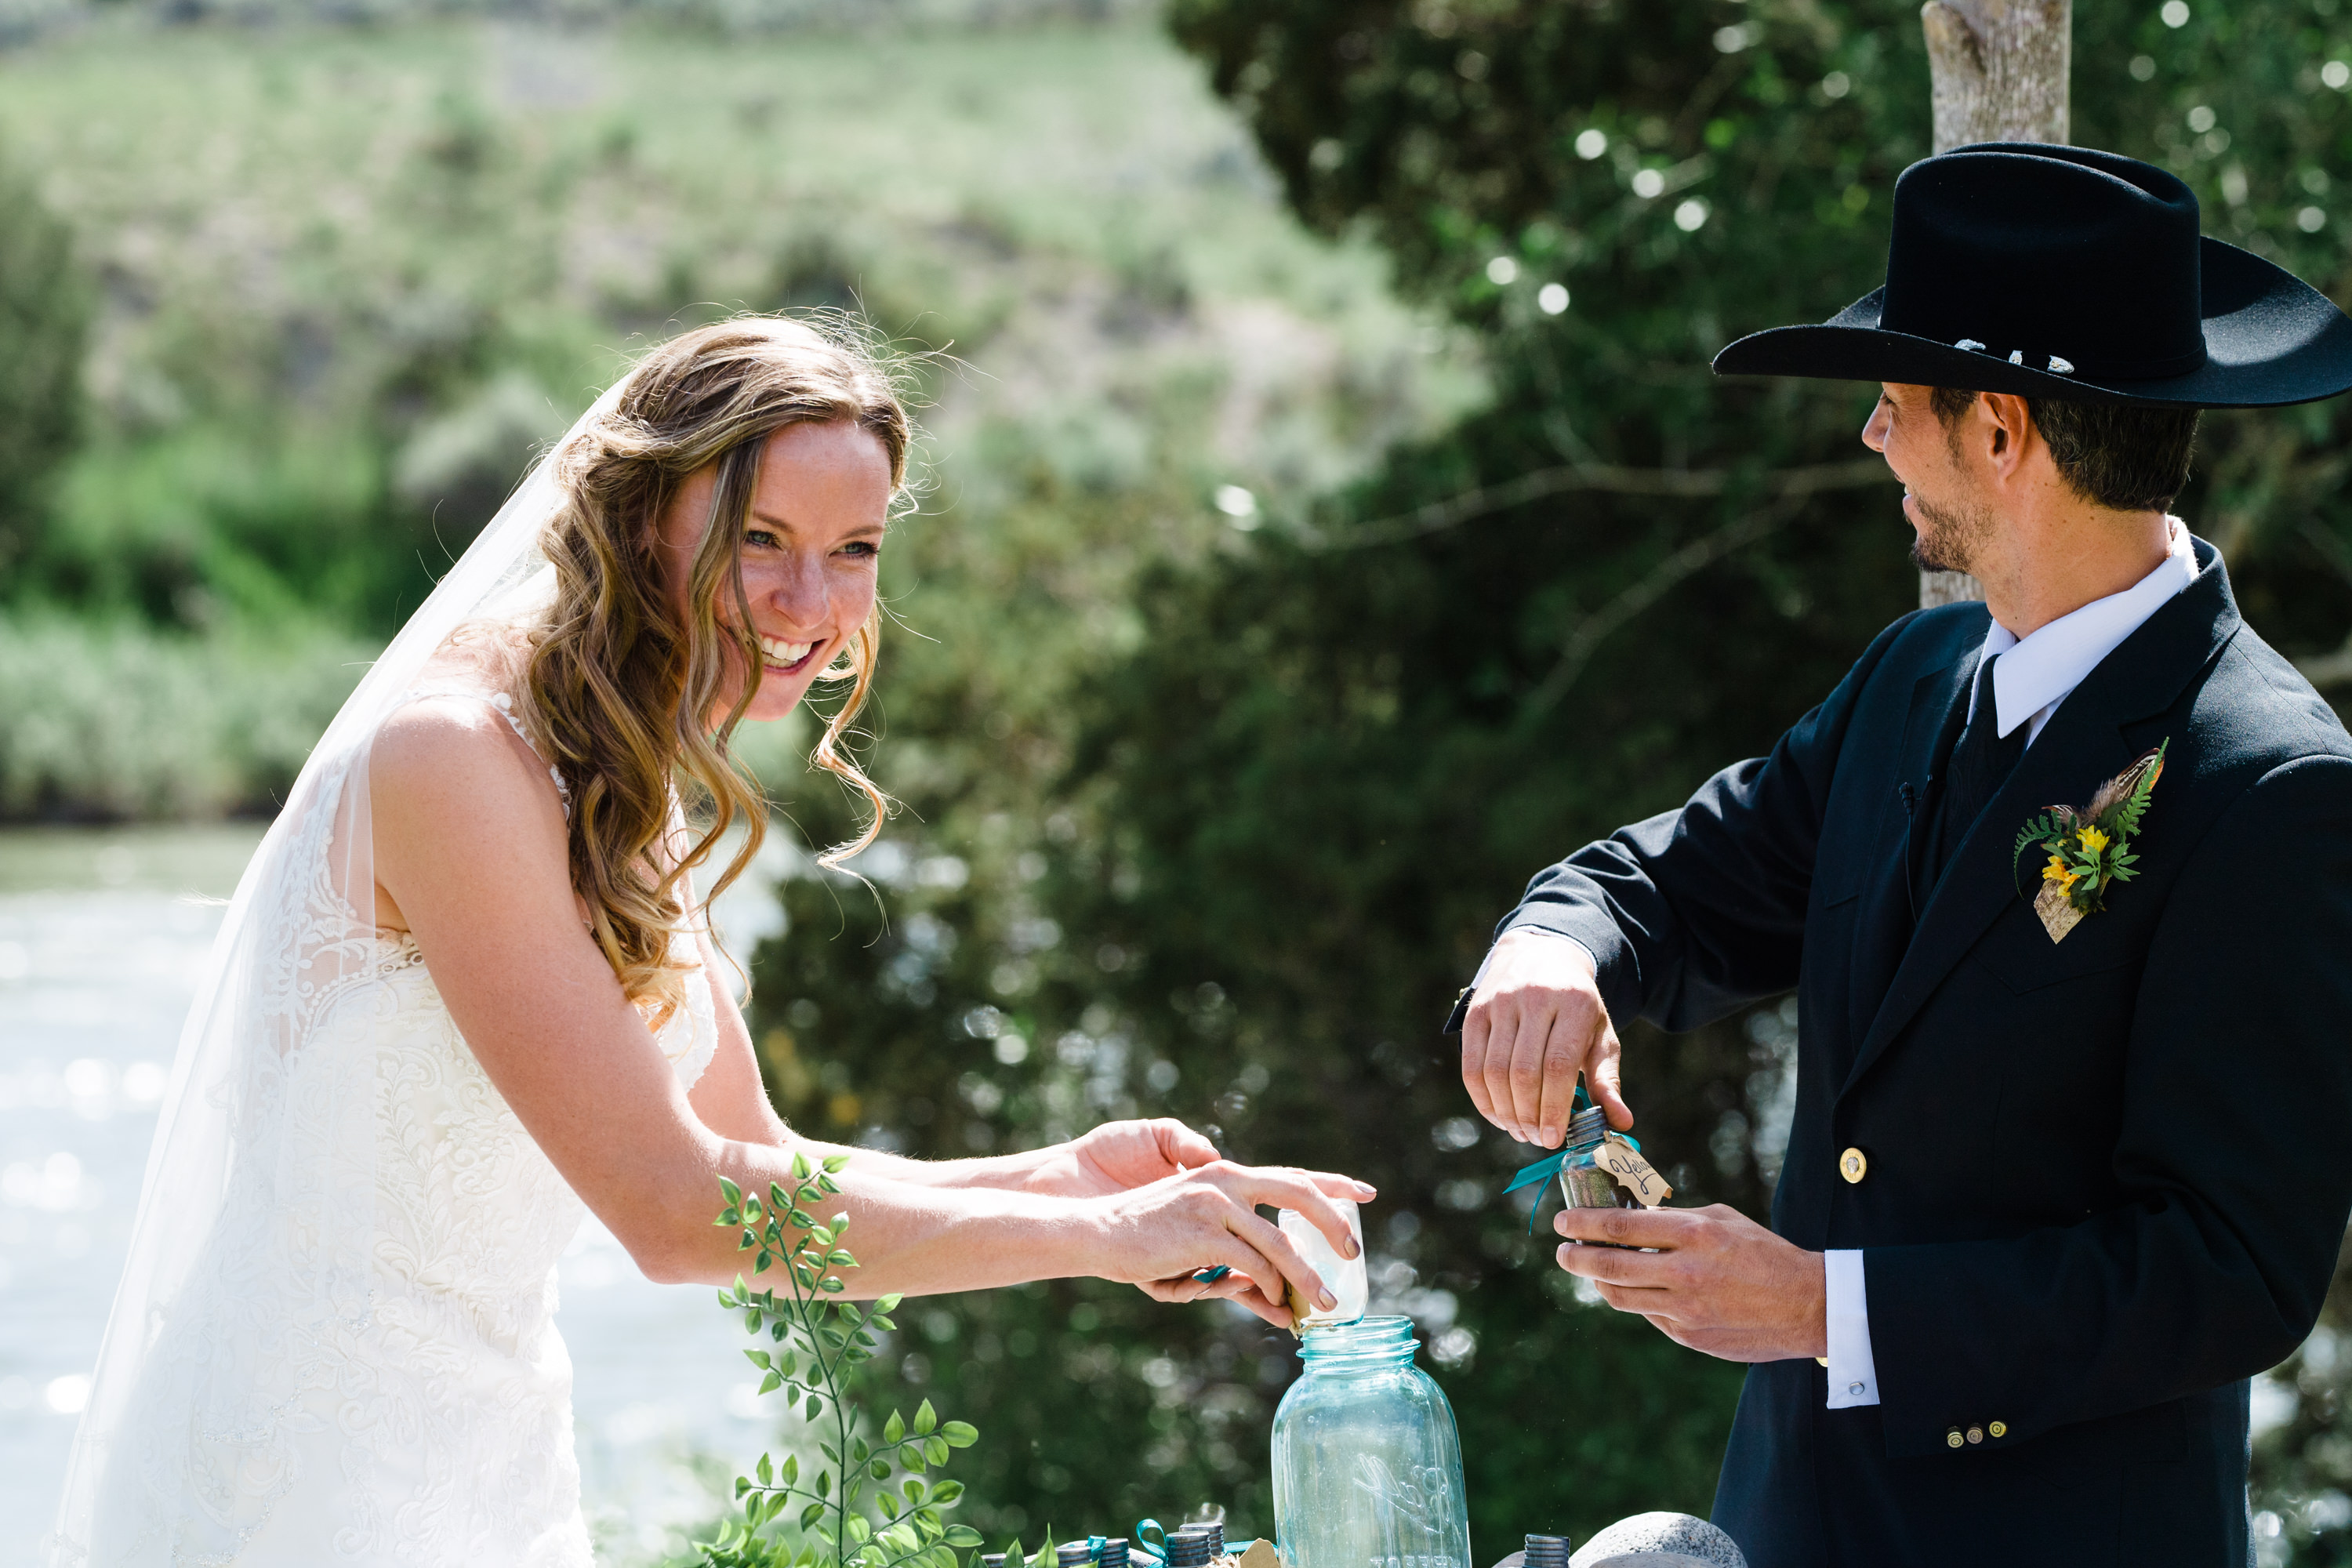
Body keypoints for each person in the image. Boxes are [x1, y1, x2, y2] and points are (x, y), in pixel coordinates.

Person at [49, 316, 1370, 1567]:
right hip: (308, 1489)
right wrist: (1107, 1239)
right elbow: (679, 1210)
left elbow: (761, 1160)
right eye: (762, 540)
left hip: (491, 1461)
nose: (812, 600)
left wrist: (1070, 1180)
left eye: (855, 548)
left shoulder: (619, 766)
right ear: (640, 519)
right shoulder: (453, 757)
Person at [1452, 145, 2352, 1565]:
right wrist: (1553, 946)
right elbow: (1683, 878)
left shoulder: (2274, 780)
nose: (1871, 437)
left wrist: (1825, 1310)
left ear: (2000, 433)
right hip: (1794, 1523)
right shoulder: (1917, 672)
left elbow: (2231, 1272)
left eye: (1891, 403)